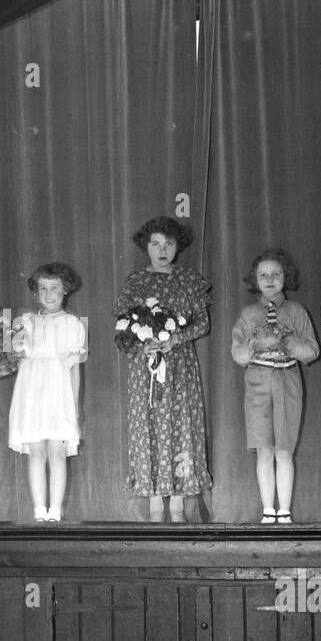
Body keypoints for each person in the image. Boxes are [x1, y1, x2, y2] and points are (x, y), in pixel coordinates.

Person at [114, 216, 213, 522]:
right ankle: (156, 501)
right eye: (155, 244)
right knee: (150, 426)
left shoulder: (187, 278)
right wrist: (142, 344)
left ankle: (179, 504)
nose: (162, 250)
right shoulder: (135, 281)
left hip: (180, 364)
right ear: (146, 246)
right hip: (146, 368)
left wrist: (176, 339)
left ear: (177, 246)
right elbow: (121, 328)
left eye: (169, 244)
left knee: (183, 424)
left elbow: (203, 322)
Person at [231, 247, 319, 524]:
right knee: (264, 449)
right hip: (258, 382)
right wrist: (256, 346)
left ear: (286, 277)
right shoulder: (249, 315)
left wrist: (293, 345)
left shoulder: (296, 311)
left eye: (276, 274)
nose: (270, 280)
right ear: (255, 279)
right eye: (263, 275)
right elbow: (238, 354)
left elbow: (313, 350)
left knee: (284, 449)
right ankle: (269, 510)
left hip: (288, 380)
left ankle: (285, 512)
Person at [6, 263, 88, 522]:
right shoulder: (26, 322)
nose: (49, 294)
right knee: (37, 451)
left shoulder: (73, 324)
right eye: (43, 288)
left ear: (65, 291)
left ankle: (55, 511)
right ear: (35, 292)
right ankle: (39, 510)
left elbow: (75, 368)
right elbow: (14, 357)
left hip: (58, 394)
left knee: (57, 451)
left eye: (55, 288)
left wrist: (73, 405)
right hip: (31, 393)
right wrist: (14, 346)